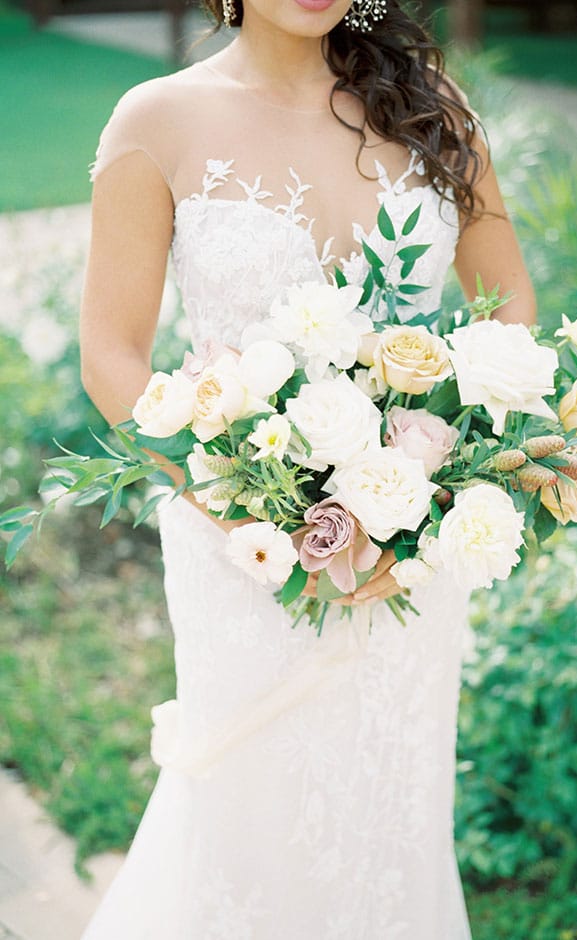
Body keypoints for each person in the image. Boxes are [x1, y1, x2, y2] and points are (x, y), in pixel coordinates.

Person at [79, 0, 536, 936]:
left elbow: (509, 299)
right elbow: (112, 355)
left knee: (389, 809)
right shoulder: (157, 119)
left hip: (407, 552)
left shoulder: (433, 111)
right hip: (239, 553)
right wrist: (242, 505)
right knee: (250, 813)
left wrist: (443, 478)